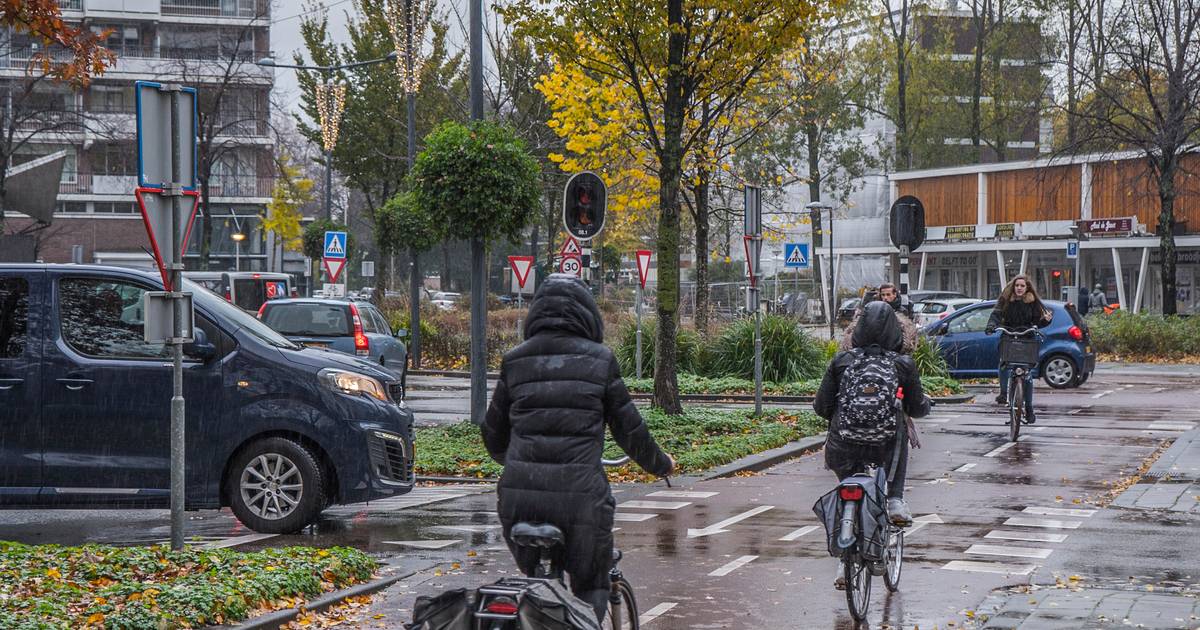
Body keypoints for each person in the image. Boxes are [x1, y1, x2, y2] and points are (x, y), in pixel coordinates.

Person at [482, 274, 675, 623]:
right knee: (590, 585)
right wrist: (661, 465)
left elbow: (493, 435)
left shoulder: (515, 361)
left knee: (537, 594)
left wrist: (519, 463)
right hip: (580, 500)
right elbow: (630, 430)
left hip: (518, 500)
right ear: (588, 315)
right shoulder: (600, 361)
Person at [815, 301, 931, 529]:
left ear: (857, 330)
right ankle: (895, 500)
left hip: (843, 445)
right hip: (885, 445)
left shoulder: (842, 361)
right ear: (896, 332)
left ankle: (845, 523)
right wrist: (925, 404)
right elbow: (916, 409)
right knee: (901, 432)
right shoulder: (902, 364)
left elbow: (821, 406)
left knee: (847, 479)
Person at [985, 274, 1053, 422]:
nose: (1019, 288)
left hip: (1027, 337)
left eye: (1022, 286)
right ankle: (1003, 394)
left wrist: (1046, 320)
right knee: (1004, 364)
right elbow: (996, 315)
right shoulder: (1006, 300)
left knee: (1027, 375)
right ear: (1013, 287)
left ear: (1027, 287)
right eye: (1017, 286)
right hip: (1009, 336)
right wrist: (991, 326)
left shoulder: (1033, 302)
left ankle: (1029, 408)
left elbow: (1038, 322)